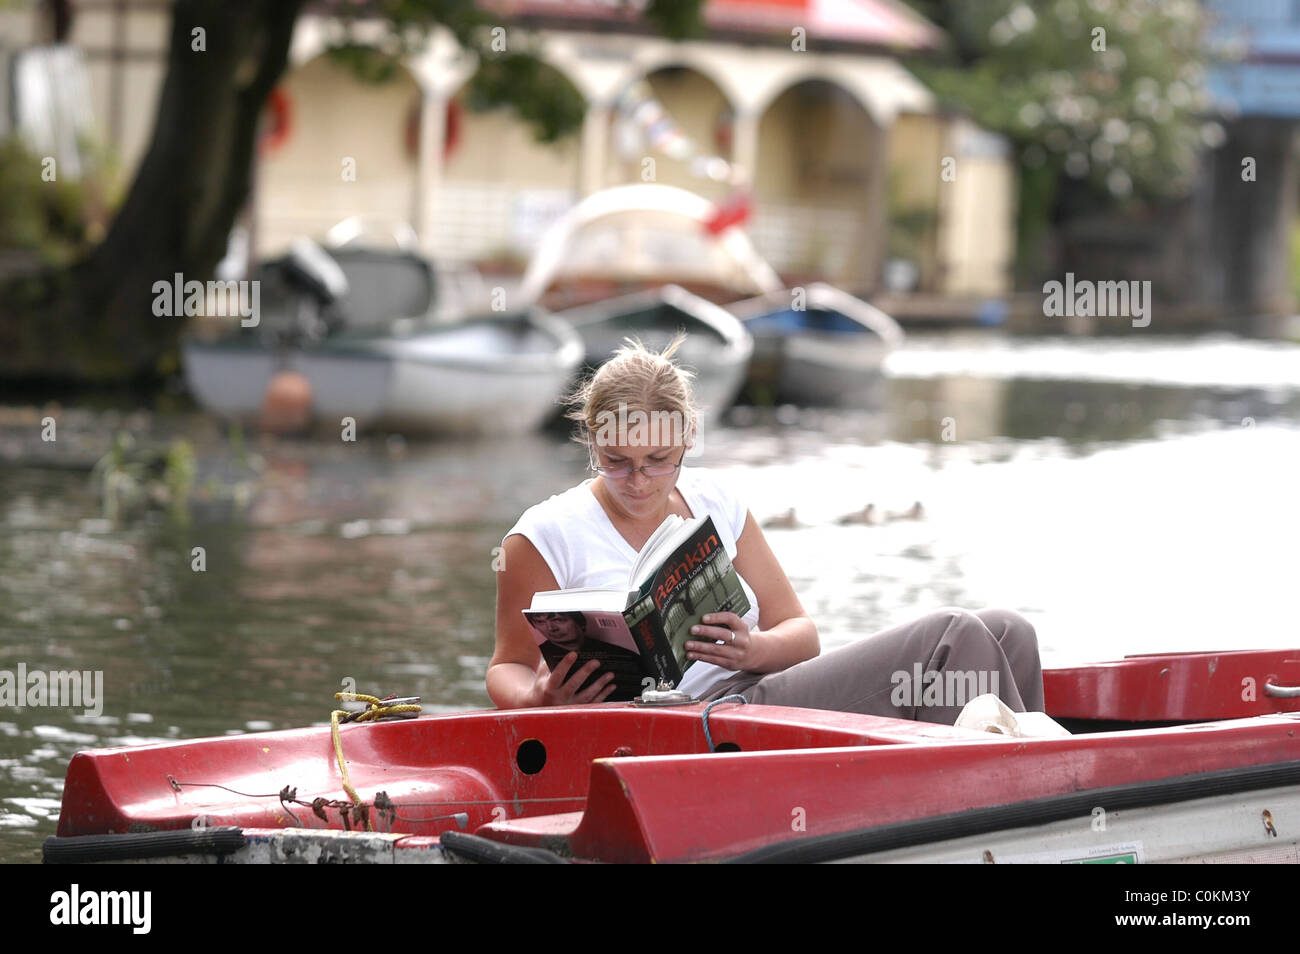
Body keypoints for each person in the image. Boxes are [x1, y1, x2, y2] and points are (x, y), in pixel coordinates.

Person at [488, 335, 1044, 724]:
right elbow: (505, 668)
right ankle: (997, 805)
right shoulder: (542, 534)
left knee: (1008, 630)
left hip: (756, 695)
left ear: (686, 441)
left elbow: (801, 634)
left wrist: (752, 648)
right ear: (590, 442)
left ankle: (1037, 809)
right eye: (616, 461)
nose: (637, 481)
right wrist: (538, 697)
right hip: (689, 730)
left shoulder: (718, 501)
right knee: (954, 635)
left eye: (658, 460)